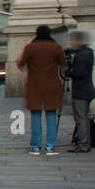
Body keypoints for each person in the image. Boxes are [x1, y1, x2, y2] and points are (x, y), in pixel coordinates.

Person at [17, 25, 65, 155]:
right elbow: (63, 63)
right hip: (52, 85)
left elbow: (20, 63)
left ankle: (35, 146)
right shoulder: (56, 47)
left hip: (35, 85)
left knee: (36, 116)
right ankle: (50, 147)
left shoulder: (30, 47)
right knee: (51, 116)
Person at [65, 31, 95, 152]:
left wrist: (67, 71)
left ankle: (83, 144)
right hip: (86, 89)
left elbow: (80, 73)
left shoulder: (82, 54)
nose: (71, 43)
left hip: (81, 90)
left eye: (73, 40)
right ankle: (85, 142)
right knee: (83, 118)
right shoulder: (87, 52)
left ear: (78, 41)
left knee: (81, 119)